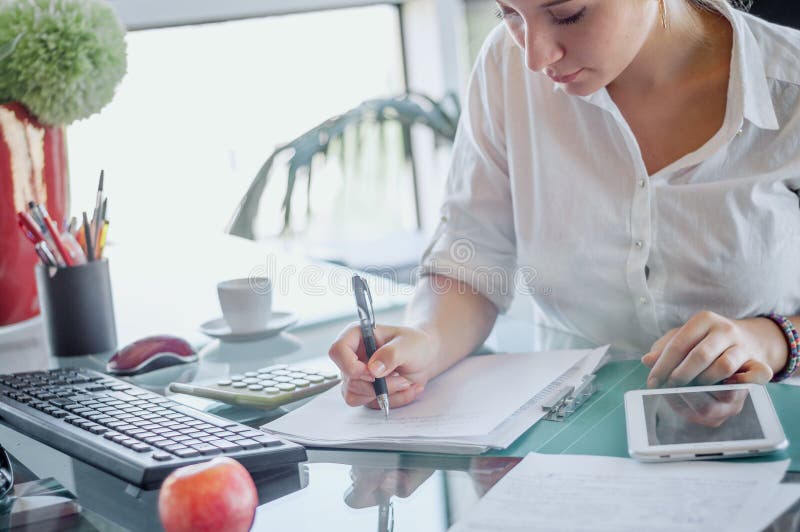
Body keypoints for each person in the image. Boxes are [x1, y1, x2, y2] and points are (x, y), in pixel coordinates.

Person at [329, 0, 800, 411]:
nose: (536, 56)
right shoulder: (505, 65)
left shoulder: (790, 87)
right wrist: (426, 342)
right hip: (568, 433)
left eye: (567, 14)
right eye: (509, 13)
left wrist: (776, 339)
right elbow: (470, 260)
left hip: (772, 436)